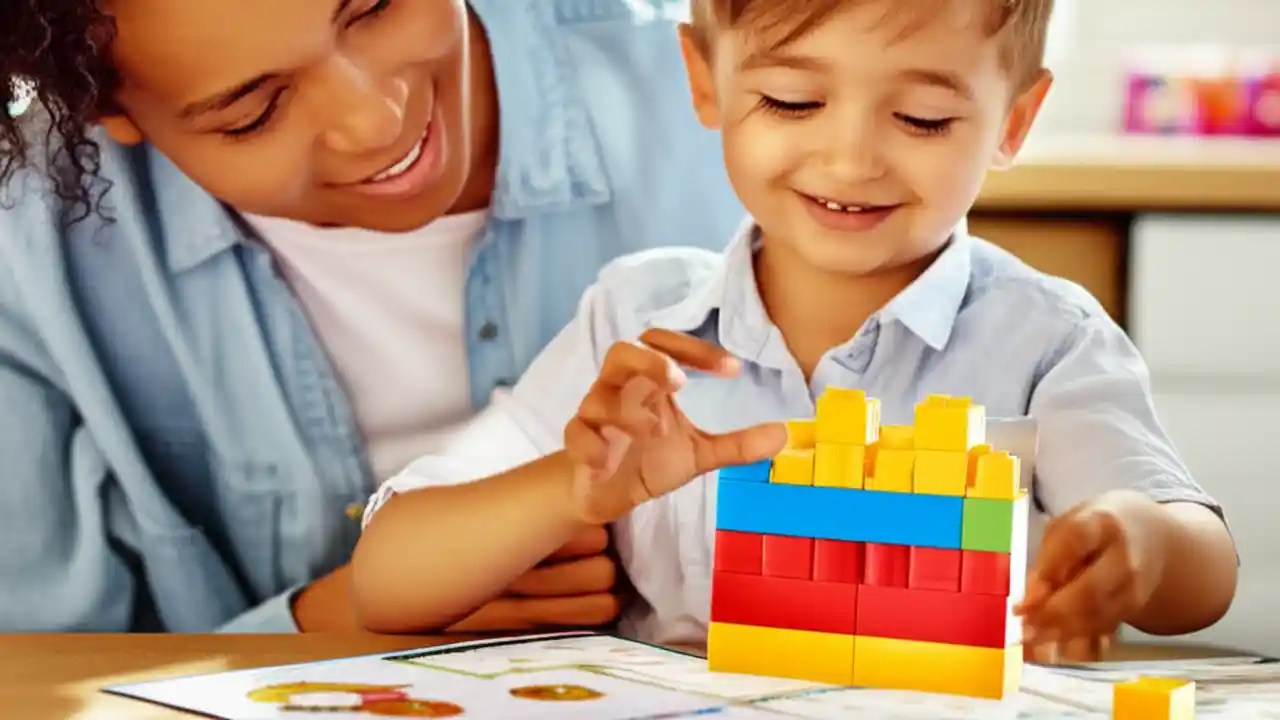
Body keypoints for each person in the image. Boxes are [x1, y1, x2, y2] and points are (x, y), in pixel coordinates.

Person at [352, 0, 1239, 662]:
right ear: (705, 81)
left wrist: (1141, 541)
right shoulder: (635, 322)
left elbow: (1204, 575)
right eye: (791, 101)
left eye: (922, 118)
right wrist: (571, 491)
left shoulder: (1046, 339)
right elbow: (387, 581)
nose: (850, 160)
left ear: (1013, 122)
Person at [0, 0, 745, 632]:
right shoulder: (31, 260)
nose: (375, 121)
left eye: (376, 8)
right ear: (107, 109)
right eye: (255, 112)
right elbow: (36, 672)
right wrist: (342, 616)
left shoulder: (744, 97)